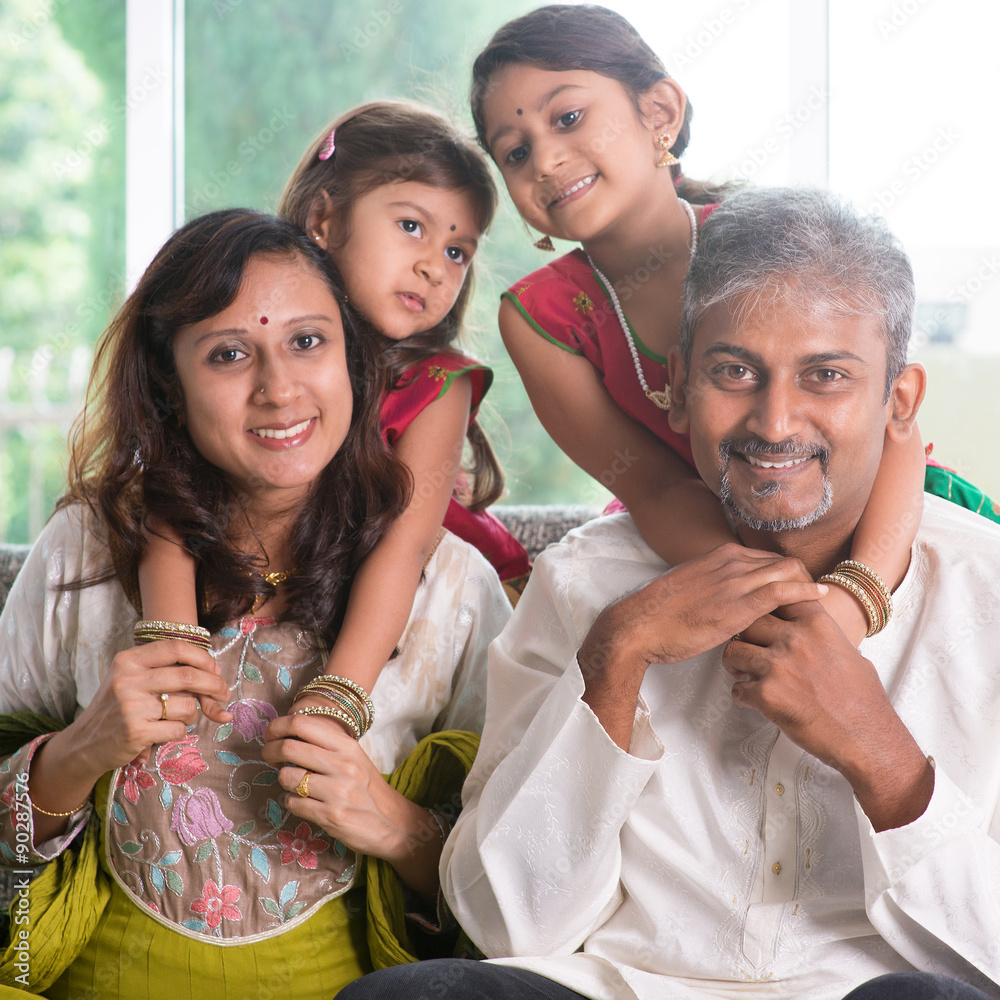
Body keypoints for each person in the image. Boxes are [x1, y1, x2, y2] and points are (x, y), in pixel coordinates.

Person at [338, 190, 1000, 999]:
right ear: (680, 385)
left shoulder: (981, 589)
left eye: (826, 375)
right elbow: (502, 924)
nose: (775, 420)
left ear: (898, 400)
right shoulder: (587, 583)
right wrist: (613, 662)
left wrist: (883, 758)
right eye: (734, 372)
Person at [0, 211, 510, 998]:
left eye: (308, 342)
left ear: (355, 361)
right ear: (169, 386)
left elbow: (532, 895)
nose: (279, 390)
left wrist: (399, 828)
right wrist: (77, 754)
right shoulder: (86, 551)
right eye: (230, 354)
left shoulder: (450, 587)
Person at [469, 3, 997, 650]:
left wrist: (853, 599)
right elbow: (654, 486)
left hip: (877, 516)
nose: (545, 161)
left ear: (659, 112)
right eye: (516, 152)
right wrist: (780, 598)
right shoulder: (541, 319)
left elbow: (896, 430)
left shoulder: (774, 243)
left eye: (570, 118)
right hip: (709, 540)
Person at [139, 102, 529, 745]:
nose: (437, 266)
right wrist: (176, 651)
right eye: (411, 225)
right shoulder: (247, 362)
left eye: (458, 250)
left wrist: (339, 696)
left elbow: (403, 549)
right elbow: (167, 500)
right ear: (322, 217)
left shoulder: (438, 384)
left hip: (404, 580)